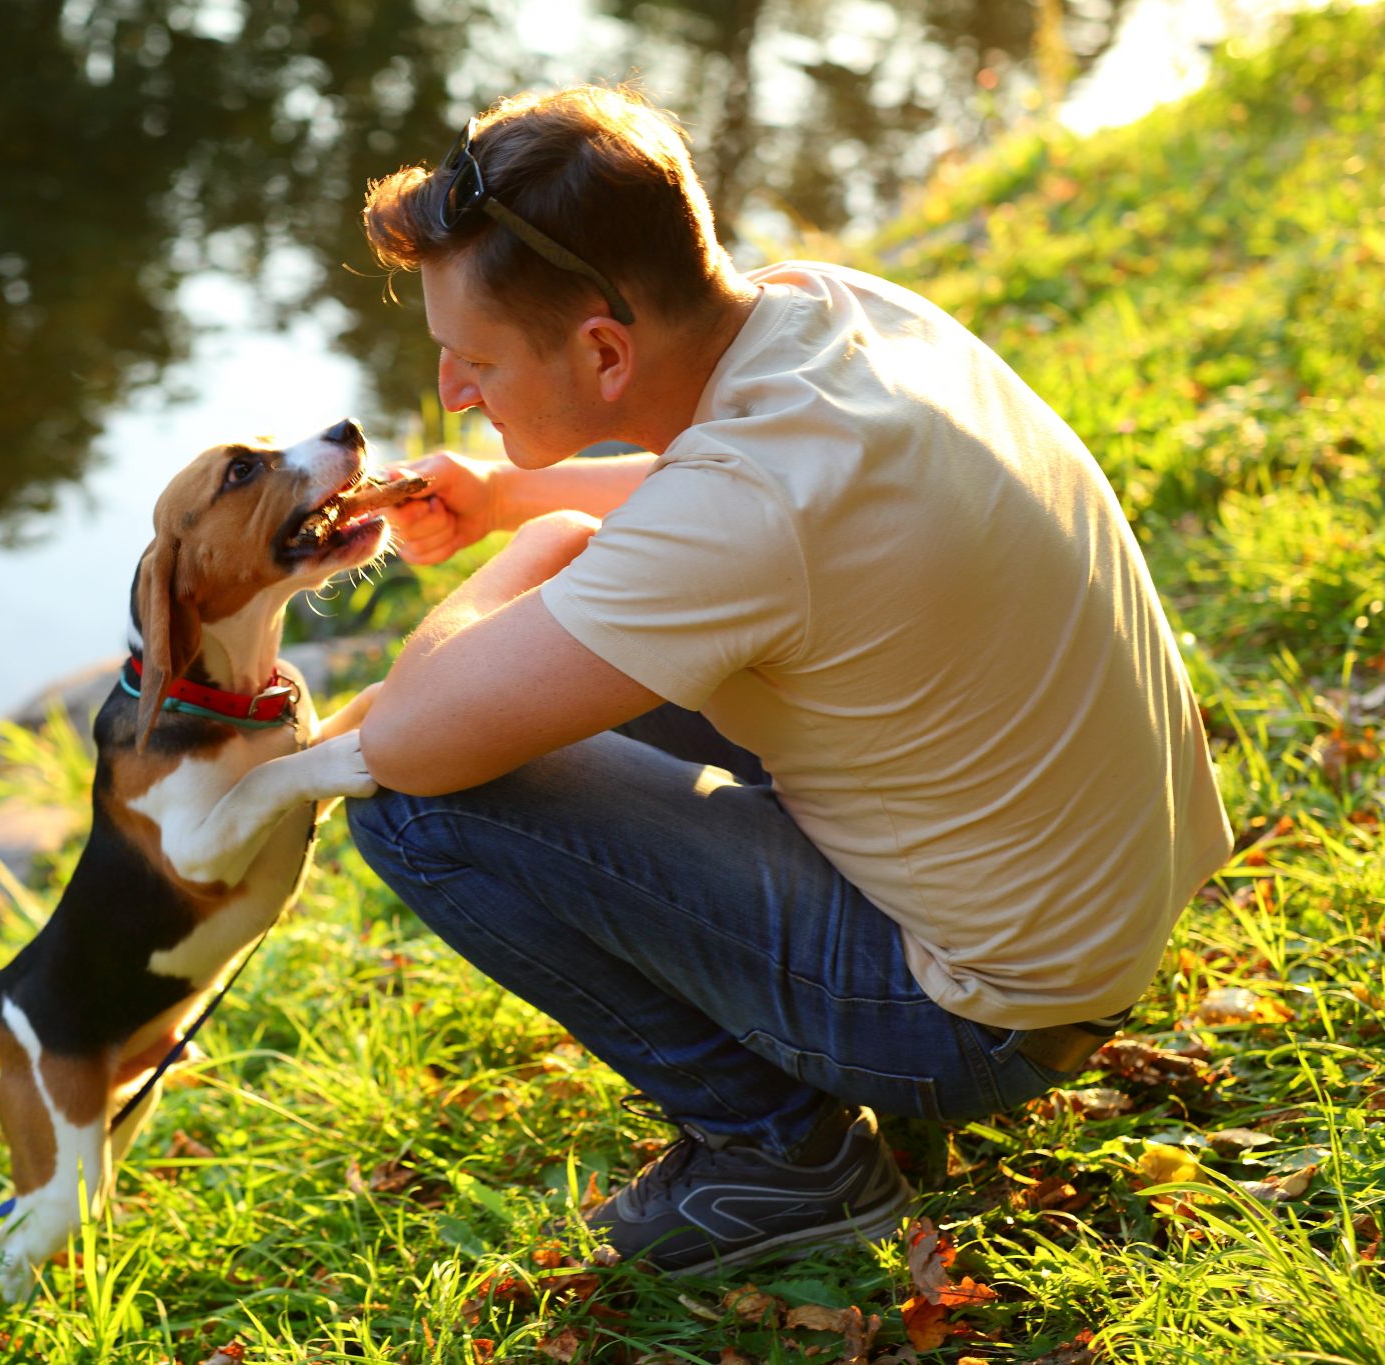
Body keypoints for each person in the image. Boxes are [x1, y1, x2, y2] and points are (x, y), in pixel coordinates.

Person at [342, 85, 1232, 1276]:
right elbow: (721, 499)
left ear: (603, 348)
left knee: (410, 804)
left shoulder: (741, 516)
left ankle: (779, 1158)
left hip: (975, 1016)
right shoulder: (829, 310)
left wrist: (539, 551)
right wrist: (508, 495)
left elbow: (407, 744)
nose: (455, 391)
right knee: (572, 652)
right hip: (1095, 913)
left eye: (472, 359)